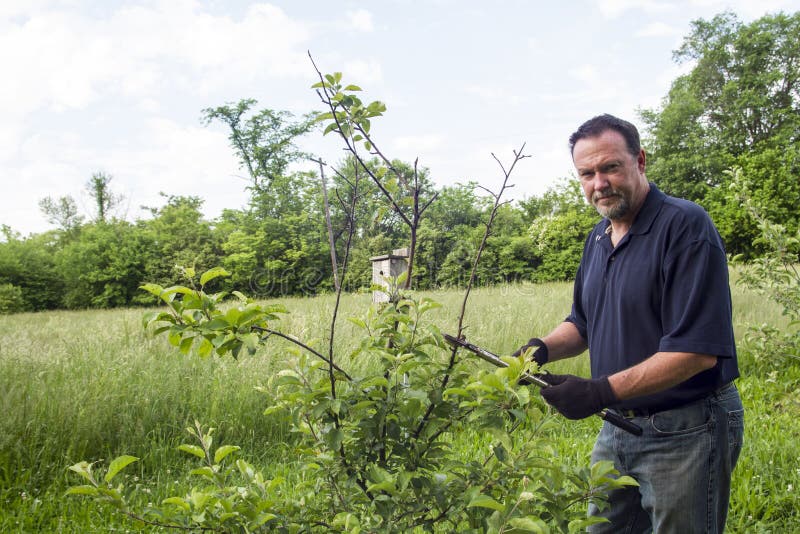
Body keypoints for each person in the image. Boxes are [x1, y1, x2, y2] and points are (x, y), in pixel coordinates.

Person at [515, 114, 744, 533]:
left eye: (610, 167)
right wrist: (539, 349)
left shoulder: (685, 226)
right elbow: (583, 324)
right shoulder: (599, 238)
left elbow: (695, 352)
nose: (598, 183)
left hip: (687, 427)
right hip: (617, 428)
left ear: (639, 160)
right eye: (586, 173)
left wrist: (598, 391)